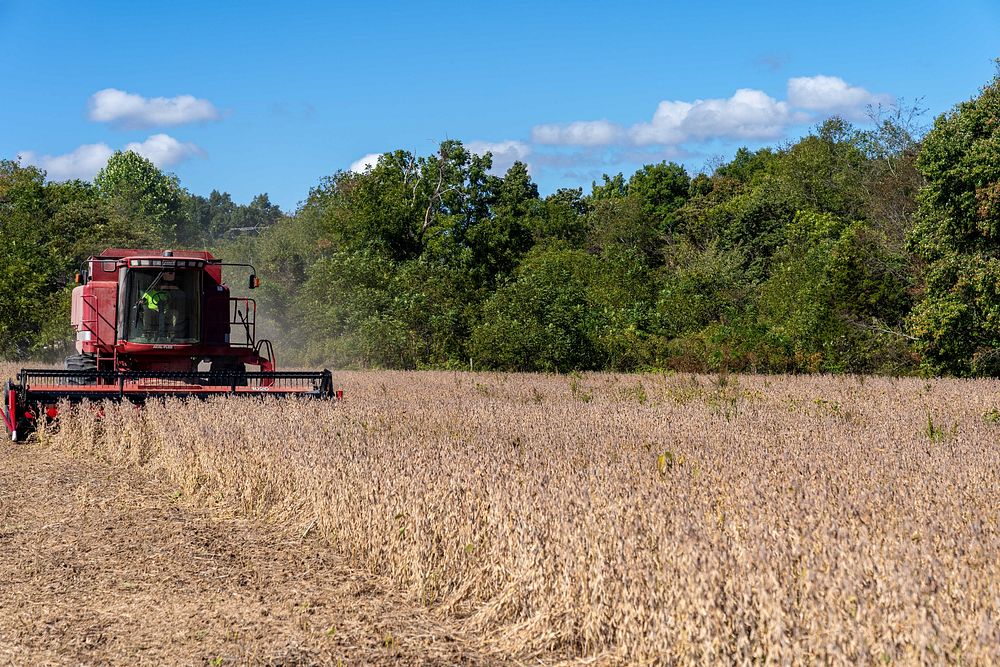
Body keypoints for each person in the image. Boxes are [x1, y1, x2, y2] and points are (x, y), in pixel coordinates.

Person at [140, 271, 187, 341]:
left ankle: (171, 332)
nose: (157, 285)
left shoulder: (165, 293)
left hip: (165, 311)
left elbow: (170, 301)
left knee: (175, 313)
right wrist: (142, 302)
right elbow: (143, 300)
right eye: (156, 284)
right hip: (153, 311)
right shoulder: (148, 293)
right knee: (146, 312)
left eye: (159, 284)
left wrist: (168, 302)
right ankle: (147, 332)